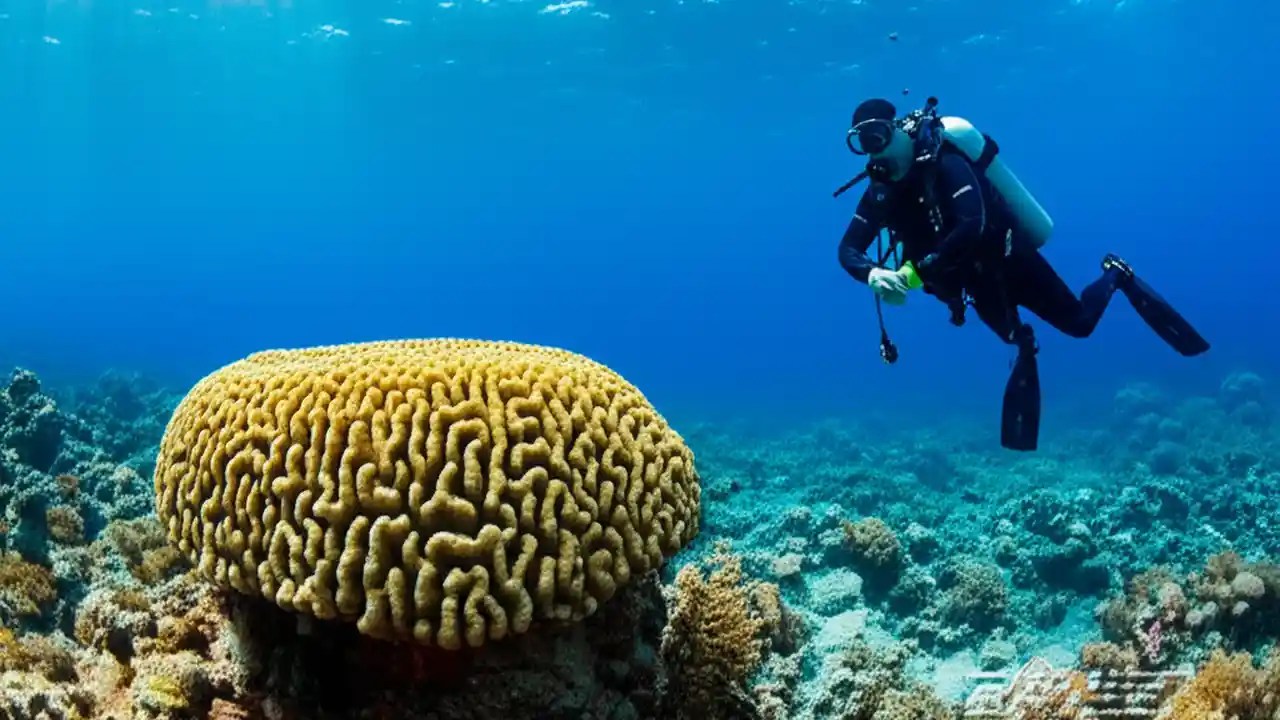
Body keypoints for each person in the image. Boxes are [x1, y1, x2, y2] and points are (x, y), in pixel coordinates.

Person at [833, 96, 1209, 451]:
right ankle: (1026, 345)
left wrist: (915, 272)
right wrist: (872, 275)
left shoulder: (944, 162)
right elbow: (847, 249)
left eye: (876, 136)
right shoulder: (880, 193)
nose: (873, 150)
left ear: (896, 129)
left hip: (1012, 258)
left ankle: (1116, 273)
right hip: (974, 281)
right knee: (1016, 338)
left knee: (1079, 324)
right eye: (861, 144)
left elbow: (971, 226)